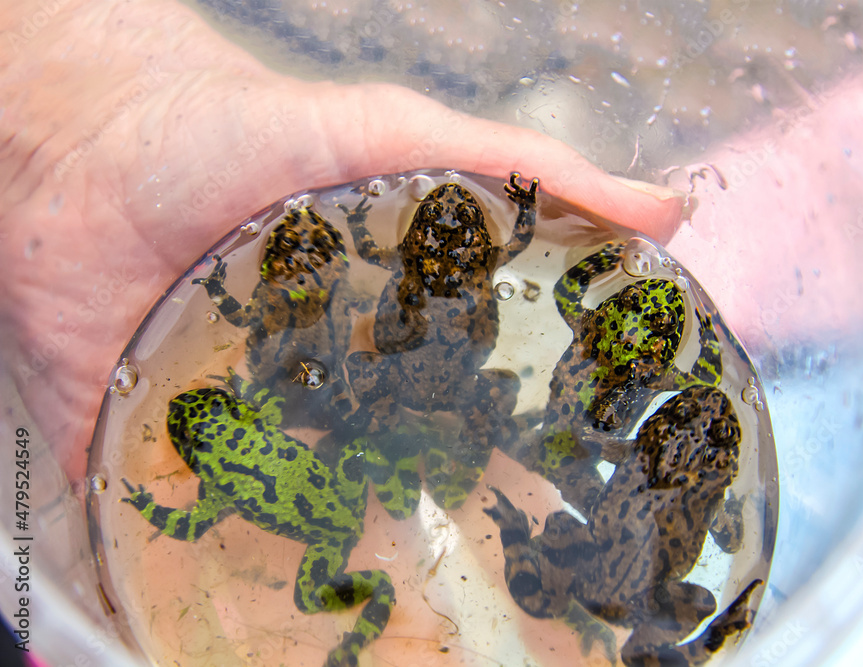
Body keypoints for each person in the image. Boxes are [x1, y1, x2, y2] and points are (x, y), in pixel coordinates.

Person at [0, 0, 685, 482]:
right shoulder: (479, 258)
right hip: (416, 364)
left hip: (424, 367)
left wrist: (61, 132)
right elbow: (382, 240)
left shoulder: (391, 265)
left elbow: (360, 236)